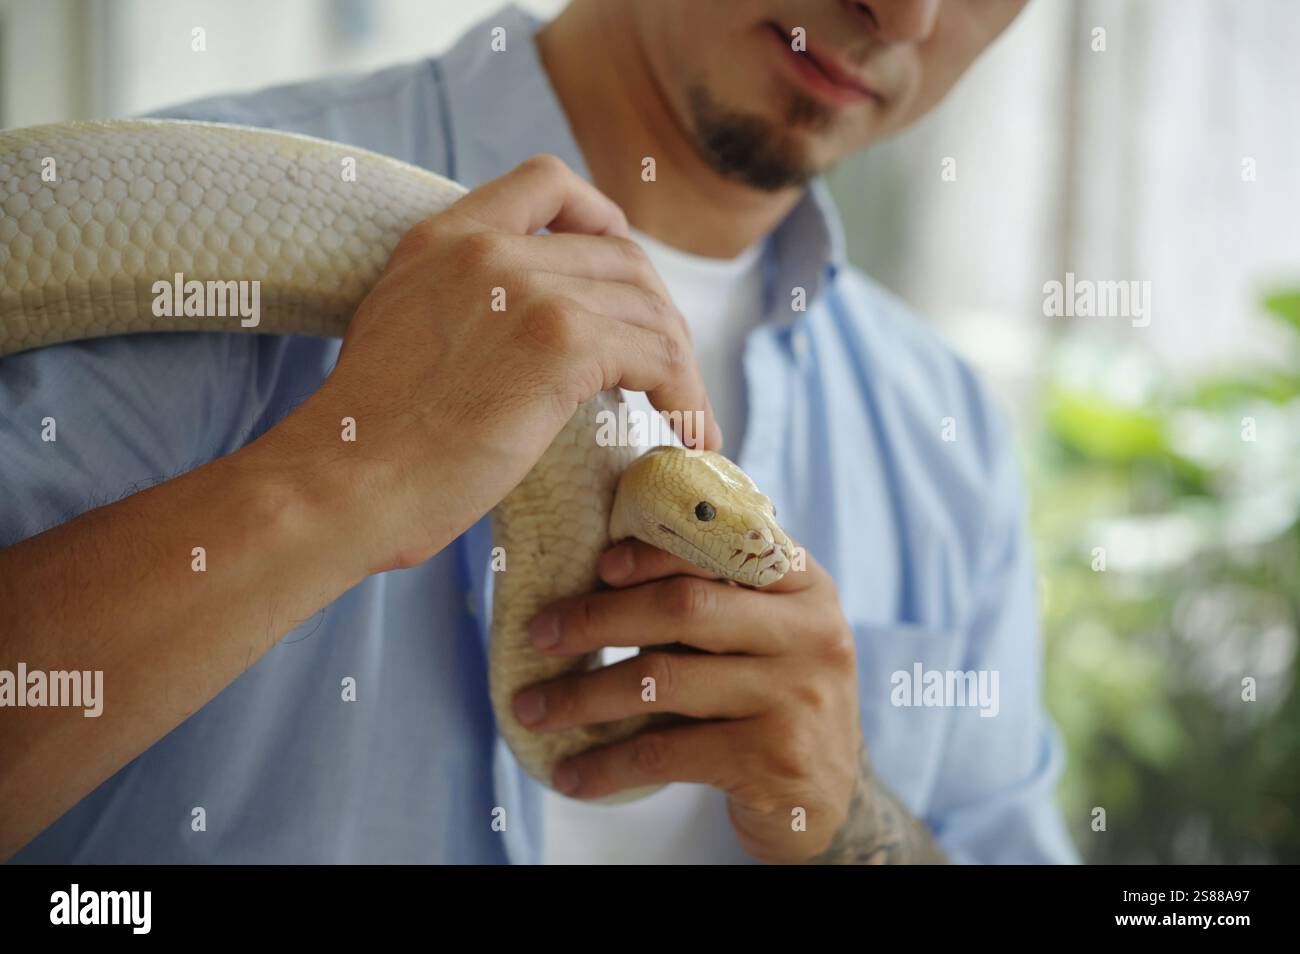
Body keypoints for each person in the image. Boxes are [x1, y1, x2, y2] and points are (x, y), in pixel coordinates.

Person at [0, 0, 1077, 864]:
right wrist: (343, 481)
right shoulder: (170, 207)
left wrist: (843, 810)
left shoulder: (949, 434)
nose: (904, 14)